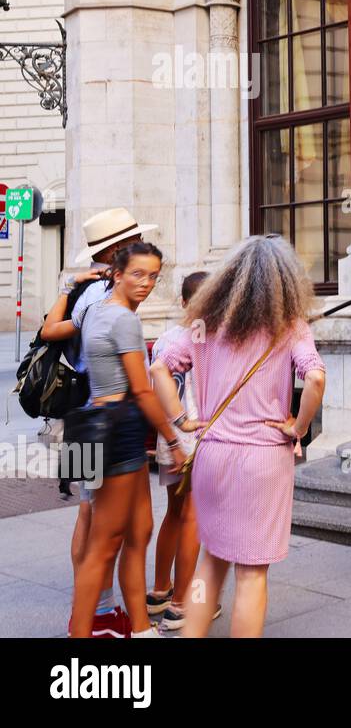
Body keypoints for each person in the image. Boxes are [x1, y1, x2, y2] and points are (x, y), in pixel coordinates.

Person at [149, 235, 326, 638]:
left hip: (212, 452)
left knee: (210, 563)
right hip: (263, 458)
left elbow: (159, 368)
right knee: (251, 574)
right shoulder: (290, 327)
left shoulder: (204, 324)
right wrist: (298, 427)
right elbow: (315, 377)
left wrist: (180, 419)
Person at [42, 207, 159, 638]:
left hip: (82, 420)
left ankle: (97, 611)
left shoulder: (86, 293)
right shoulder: (109, 297)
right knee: (101, 526)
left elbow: (49, 331)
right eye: (131, 245)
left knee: (90, 515)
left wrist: (67, 287)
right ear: (116, 253)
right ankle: (94, 615)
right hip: (107, 420)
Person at [68, 242, 186, 638]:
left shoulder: (93, 310)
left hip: (92, 427)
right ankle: (80, 635)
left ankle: (139, 628)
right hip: (118, 428)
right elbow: (142, 390)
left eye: (153, 275)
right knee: (106, 543)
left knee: (138, 532)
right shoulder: (124, 320)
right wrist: (173, 438)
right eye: (138, 274)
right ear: (117, 274)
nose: (147, 283)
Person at [147, 270, 216, 633]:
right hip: (195, 437)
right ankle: (181, 603)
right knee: (192, 517)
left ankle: (160, 589)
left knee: (174, 513)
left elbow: (154, 382)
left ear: (183, 302)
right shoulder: (208, 339)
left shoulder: (166, 338)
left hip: (168, 436)